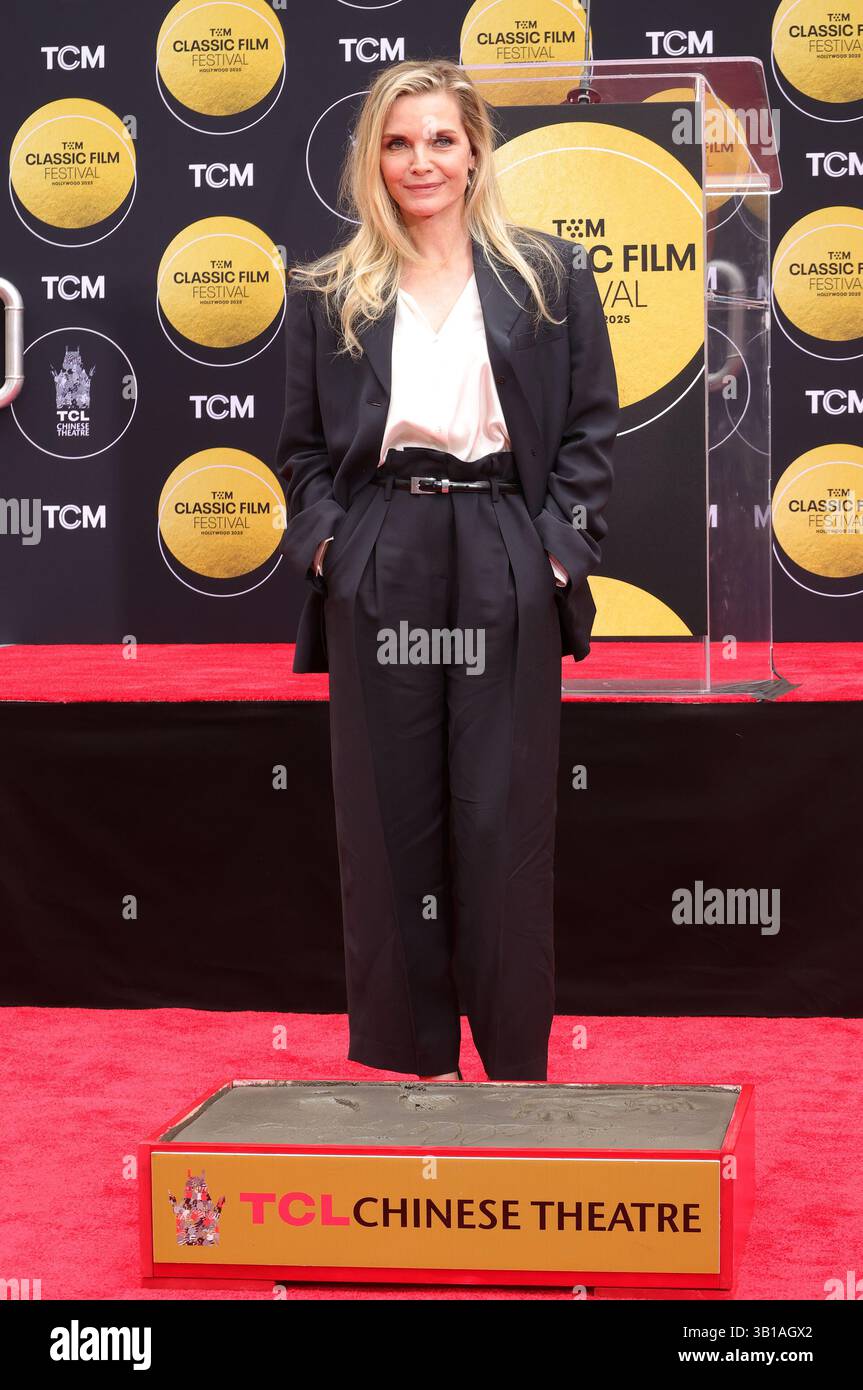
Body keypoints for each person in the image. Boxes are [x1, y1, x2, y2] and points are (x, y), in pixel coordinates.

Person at [276, 59, 619, 1083]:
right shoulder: (330, 290)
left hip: (503, 547)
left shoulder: (548, 277)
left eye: (437, 139)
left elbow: (591, 431)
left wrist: (555, 552)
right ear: (371, 159)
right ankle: (412, 1068)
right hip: (381, 548)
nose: (417, 160)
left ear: (474, 149)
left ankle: (513, 1070)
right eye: (395, 141)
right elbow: (299, 455)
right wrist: (333, 548)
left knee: (501, 818)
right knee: (385, 826)